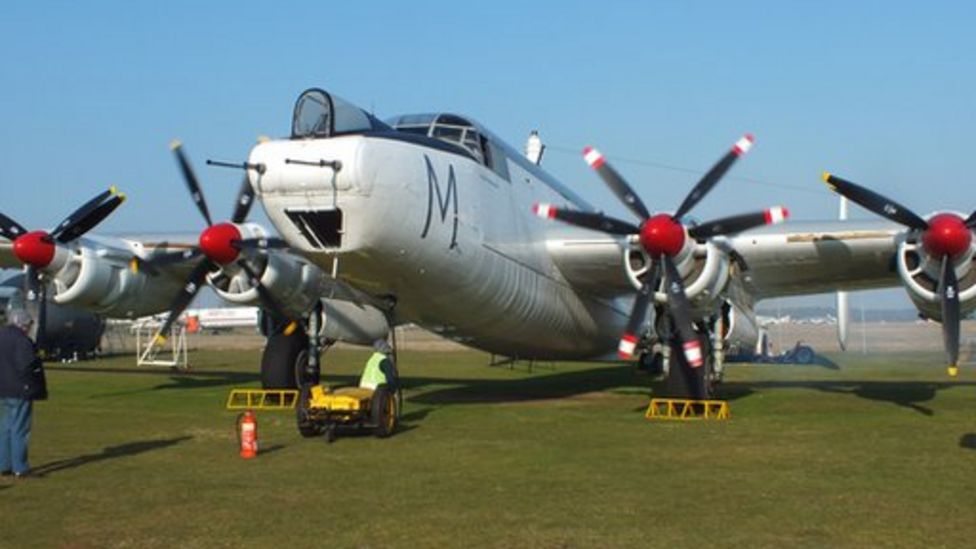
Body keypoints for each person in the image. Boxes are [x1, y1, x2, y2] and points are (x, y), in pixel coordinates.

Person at [0, 310, 46, 479]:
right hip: (20, 388)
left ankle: (4, 464)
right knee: (20, 428)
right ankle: (20, 467)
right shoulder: (22, 341)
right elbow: (27, 364)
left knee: (6, 427)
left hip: (3, 388)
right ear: (23, 324)